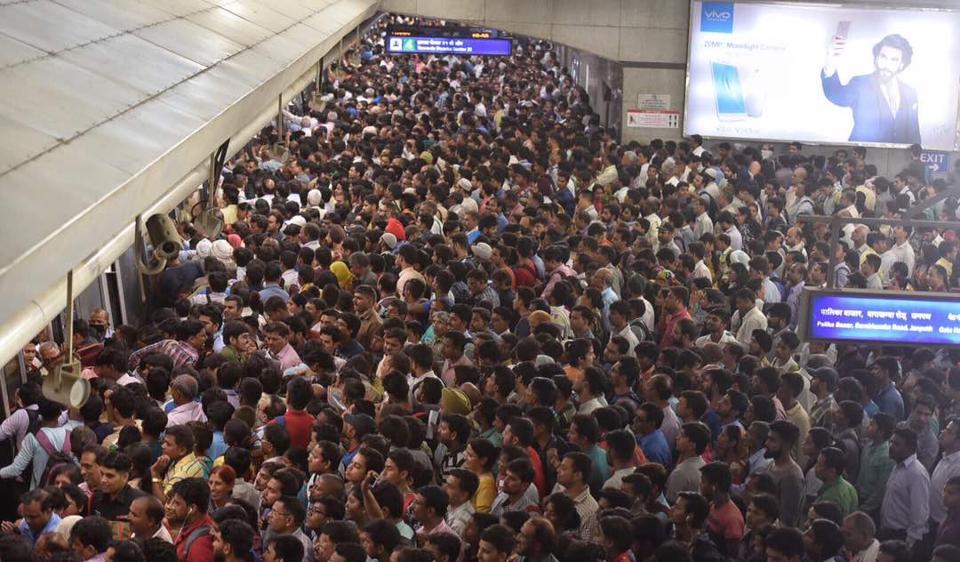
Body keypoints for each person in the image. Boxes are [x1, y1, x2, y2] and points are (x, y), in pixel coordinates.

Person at [821, 33, 920, 144]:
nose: (886, 64)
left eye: (894, 60)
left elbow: (914, 133)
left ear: (901, 64)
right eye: (883, 57)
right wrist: (830, 61)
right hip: (863, 153)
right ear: (876, 58)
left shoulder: (910, 93)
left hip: (897, 157)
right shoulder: (860, 84)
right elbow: (837, 95)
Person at [880, 428, 930, 550]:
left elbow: (919, 513)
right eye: (891, 442)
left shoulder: (916, 474)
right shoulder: (897, 466)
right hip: (887, 532)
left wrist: (909, 543)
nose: (891, 447)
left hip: (901, 537)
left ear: (909, 448)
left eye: (896, 444)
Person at [167, 478, 215, 562]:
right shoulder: (189, 527)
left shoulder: (200, 547)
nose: (171, 507)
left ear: (192, 508)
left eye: (177, 503)